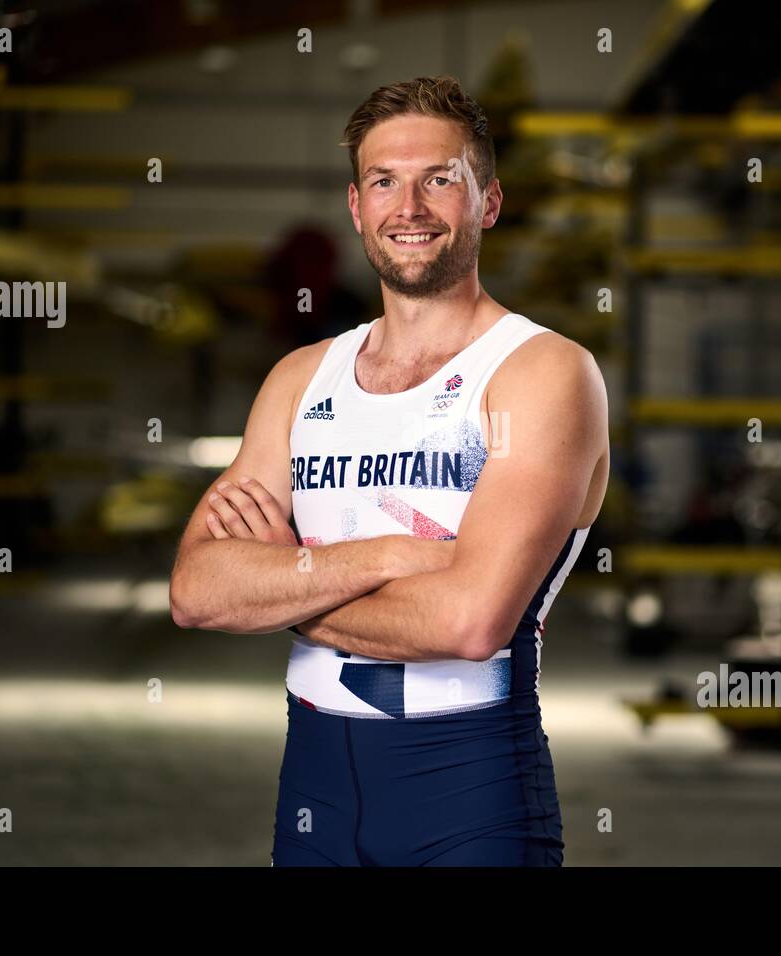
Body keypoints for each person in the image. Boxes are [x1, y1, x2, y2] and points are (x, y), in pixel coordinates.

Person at [170, 75, 609, 866]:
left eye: (439, 179)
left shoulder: (542, 373)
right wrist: (393, 559)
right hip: (314, 785)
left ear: (489, 201)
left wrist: (283, 591)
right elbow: (198, 592)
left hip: (468, 785)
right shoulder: (302, 379)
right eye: (384, 181)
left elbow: (468, 624)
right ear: (356, 206)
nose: (408, 208)